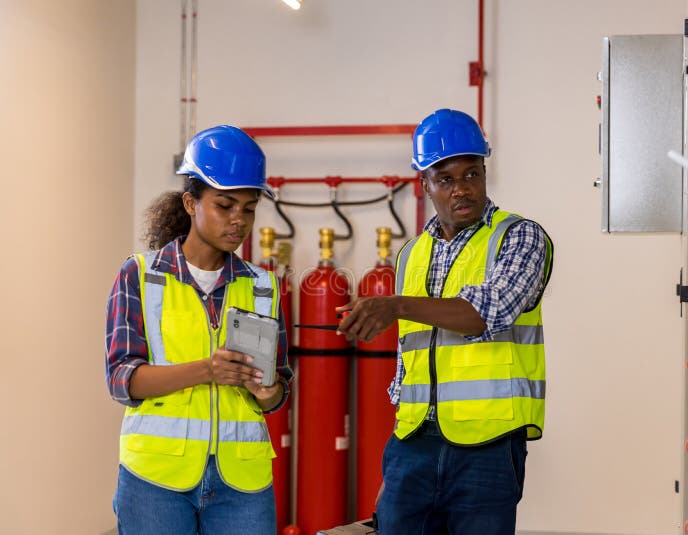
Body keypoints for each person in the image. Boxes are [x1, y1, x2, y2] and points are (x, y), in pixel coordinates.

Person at [337, 109, 553, 535]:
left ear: (485, 171)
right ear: (425, 185)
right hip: (413, 446)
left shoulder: (521, 237)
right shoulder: (411, 254)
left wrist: (395, 305)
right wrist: (394, 466)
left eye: (472, 174)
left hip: (488, 447)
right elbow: (408, 364)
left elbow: (485, 313)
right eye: (446, 179)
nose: (462, 190)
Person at [105, 125, 293, 534]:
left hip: (242, 481)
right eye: (225, 206)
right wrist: (208, 370)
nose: (238, 220)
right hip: (156, 479)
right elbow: (122, 380)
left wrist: (268, 391)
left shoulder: (262, 285)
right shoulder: (140, 276)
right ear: (191, 203)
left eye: (248, 207)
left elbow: (279, 392)